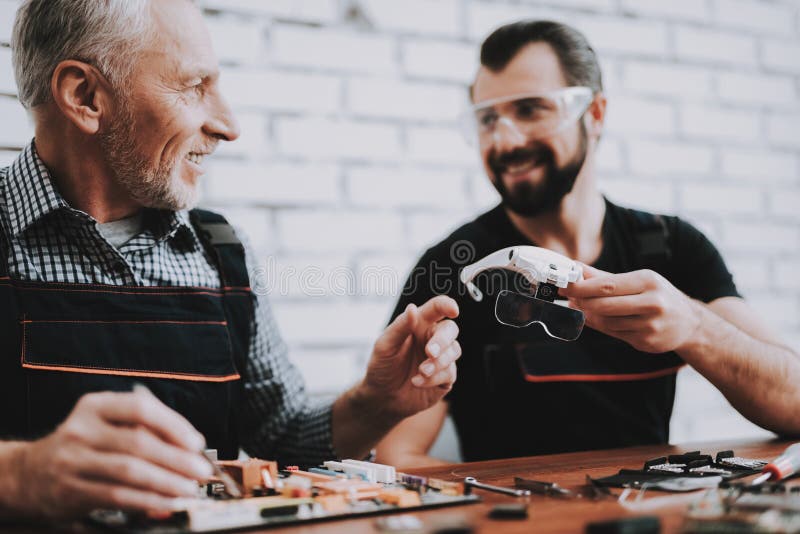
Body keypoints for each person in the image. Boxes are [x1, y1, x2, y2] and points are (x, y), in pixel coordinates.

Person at [0, 0, 461, 519]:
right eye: (194, 87)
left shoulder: (224, 253)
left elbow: (284, 444)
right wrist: (23, 473)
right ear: (86, 96)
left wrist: (376, 404)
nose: (228, 125)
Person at [377, 20, 800, 467]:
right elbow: (396, 458)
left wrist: (694, 327)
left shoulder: (672, 248)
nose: (504, 140)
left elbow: (795, 401)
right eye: (487, 119)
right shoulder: (454, 268)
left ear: (595, 114)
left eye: (530, 109)